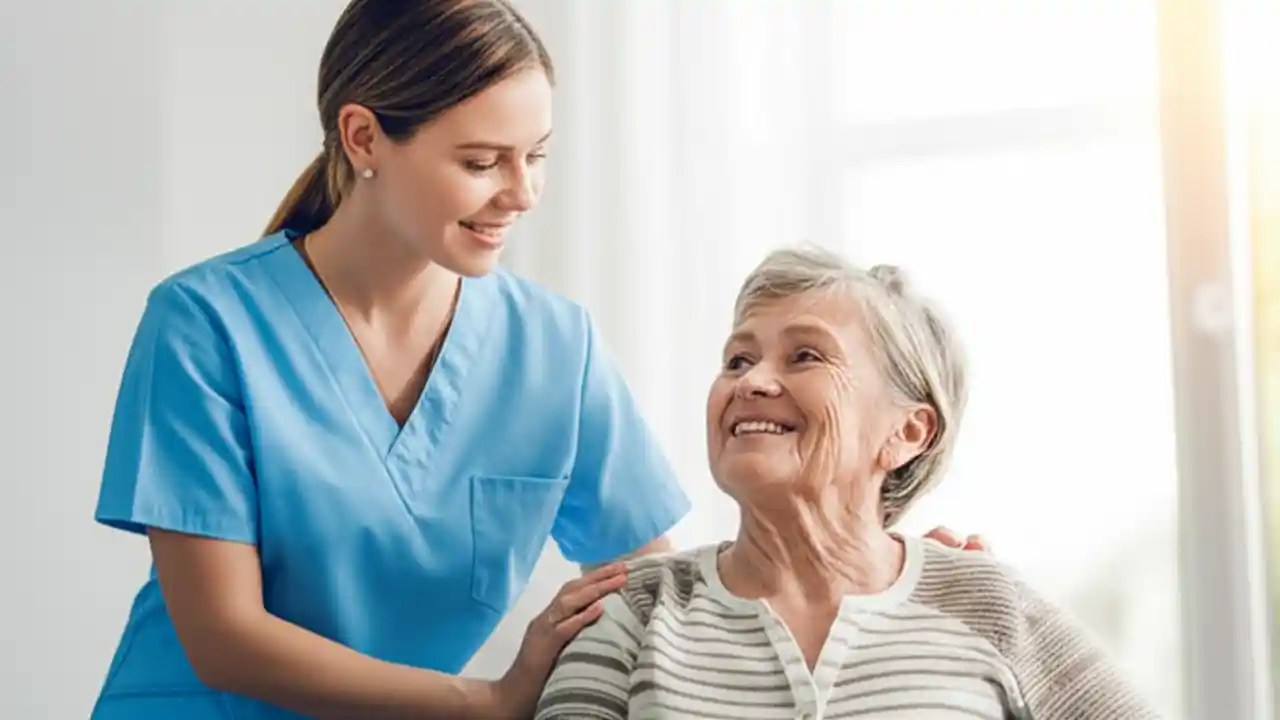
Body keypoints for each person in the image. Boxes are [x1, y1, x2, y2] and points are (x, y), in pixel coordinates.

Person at [91, 2, 981, 718]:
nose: (520, 194)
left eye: (537, 158)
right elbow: (224, 637)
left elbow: (658, 595)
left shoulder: (554, 348)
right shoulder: (205, 323)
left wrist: (875, 573)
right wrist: (487, 703)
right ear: (363, 139)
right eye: (482, 161)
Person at [535, 248, 1160, 720]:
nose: (751, 382)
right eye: (737, 360)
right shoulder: (636, 609)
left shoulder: (986, 603)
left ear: (909, 432)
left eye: (805, 356)